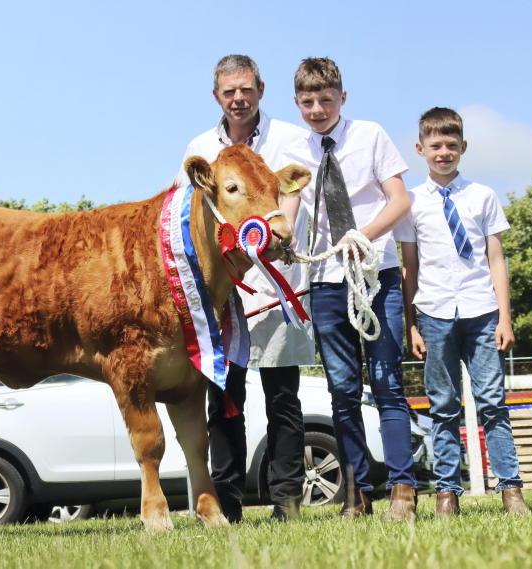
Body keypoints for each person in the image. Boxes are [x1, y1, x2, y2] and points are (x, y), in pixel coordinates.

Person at [177, 54, 315, 522]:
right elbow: (182, 214)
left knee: (282, 397)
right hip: (220, 294)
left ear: (261, 90)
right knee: (226, 399)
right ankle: (229, 501)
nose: (239, 98)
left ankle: (287, 502)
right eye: (229, 91)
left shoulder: (291, 139)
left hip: (279, 285)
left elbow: (293, 195)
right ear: (217, 96)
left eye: (246, 89)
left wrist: (278, 241)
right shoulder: (199, 148)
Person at [280, 57, 417, 521]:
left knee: (385, 381)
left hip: (377, 274)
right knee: (342, 388)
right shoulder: (294, 148)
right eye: (307, 102)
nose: (317, 109)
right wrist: (280, 240)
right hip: (325, 281)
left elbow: (400, 199)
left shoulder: (371, 135)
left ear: (343, 96)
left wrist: (366, 234)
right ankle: (358, 492)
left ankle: (402, 487)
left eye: (325, 99)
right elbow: (290, 206)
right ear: (297, 102)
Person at [395, 107, 529, 516]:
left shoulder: (482, 196)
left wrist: (504, 316)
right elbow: (409, 266)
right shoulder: (412, 202)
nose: (443, 152)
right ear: (420, 148)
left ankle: (511, 490)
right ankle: (447, 493)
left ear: (463, 148)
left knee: (493, 402)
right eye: (435, 145)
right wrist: (411, 324)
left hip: (481, 309)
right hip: (434, 311)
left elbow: (496, 258)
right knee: (443, 404)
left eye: (451, 145)